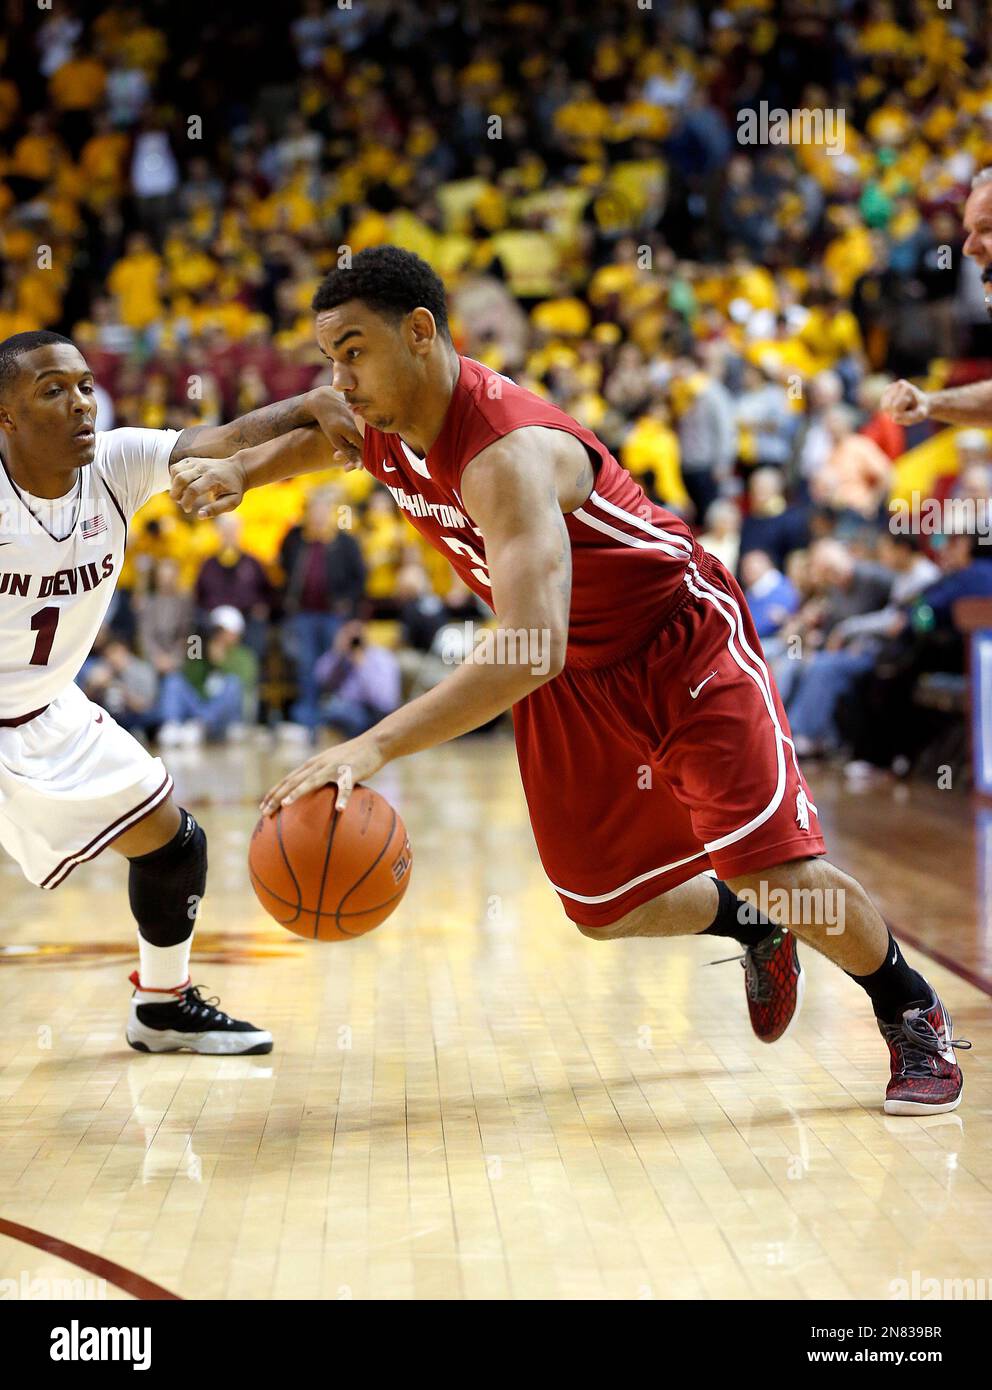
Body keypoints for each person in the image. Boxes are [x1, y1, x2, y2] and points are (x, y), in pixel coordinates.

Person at [172, 247, 970, 1114]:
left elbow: (528, 649)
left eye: (354, 350)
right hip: (574, 669)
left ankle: (908, 1008)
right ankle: (747, 924)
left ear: (420, 332)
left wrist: (373, 745)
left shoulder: (506, 455)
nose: (342, 377)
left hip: (677, 643)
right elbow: (305, 438)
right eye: (330, 356)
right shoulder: (384, 420)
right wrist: (239, 473)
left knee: (774, 868)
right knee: (601, 906)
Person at [0, 328, 361, 1054]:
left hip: (47, 710)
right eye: (51, 392)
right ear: (6, 417)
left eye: (81, 387)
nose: (79, 405)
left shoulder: (114, 464)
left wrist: (314, 402)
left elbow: (221, 437)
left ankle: (161, 1008)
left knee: (173, 844)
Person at [277, 488, 367, 733]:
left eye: (322, 512)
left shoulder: (345, 542)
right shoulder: (295, 539)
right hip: (303, 613)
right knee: (306, 666)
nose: (317, 517)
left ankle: (332, 717)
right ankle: (307, 719)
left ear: (330, 514)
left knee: (333, 666)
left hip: (334, 616)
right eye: (313, 512)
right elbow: (283, 567)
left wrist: (351, 612)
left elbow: (359, 580)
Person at [157, 605, 258, 745]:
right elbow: (191, 680)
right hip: (199, 707)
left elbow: (243, 686)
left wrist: (221, 662)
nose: (219, 635)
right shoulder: (199, 650)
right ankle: (171, 725)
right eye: (215, 631)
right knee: (174, 680)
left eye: (222, 631)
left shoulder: (244, 656)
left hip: (226, 717)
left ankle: (202, 726)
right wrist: (196, 654)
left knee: (233, 683)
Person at [315, 618, 401, 738]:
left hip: (374, 713)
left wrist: (361, 665)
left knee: (335, 708)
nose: (353, 640)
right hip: (347, 708)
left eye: (357, 635)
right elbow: (321, 679)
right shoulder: (341, 656)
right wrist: (337, 653)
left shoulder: (382, 658)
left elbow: (384, 701)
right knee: (328, 707)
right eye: (348, 634)